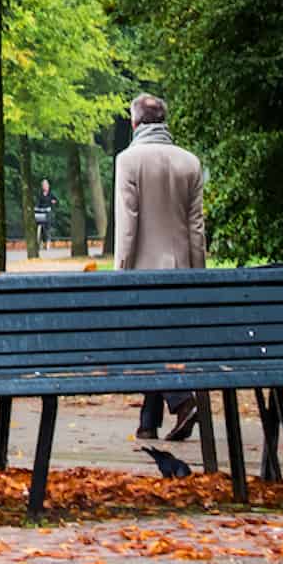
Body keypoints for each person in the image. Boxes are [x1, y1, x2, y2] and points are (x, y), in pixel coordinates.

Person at [116, 92, 206, 441]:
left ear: (135, 122)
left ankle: (182, 401)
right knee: (164, 338)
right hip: (182, 268)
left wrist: (121, 271)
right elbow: (196, 226)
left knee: (151, 340)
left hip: (144, 269)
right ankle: (147, 422)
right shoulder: (189, 162)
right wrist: (199, 274)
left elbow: (128, 223)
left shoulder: (129, 160)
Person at [33, 177, 58, 249]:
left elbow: (55, 201)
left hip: (48, 212)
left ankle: (47, 241)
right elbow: (37, 202)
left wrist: (53, 203)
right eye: (43, 185)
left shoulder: (51, 194)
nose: (45, 186)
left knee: (47, 227)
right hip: (41, 211)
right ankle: (39, 240)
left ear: (48, 185)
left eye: (46, 185)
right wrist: (36, 207)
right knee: (37, 223)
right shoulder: (40, 194)